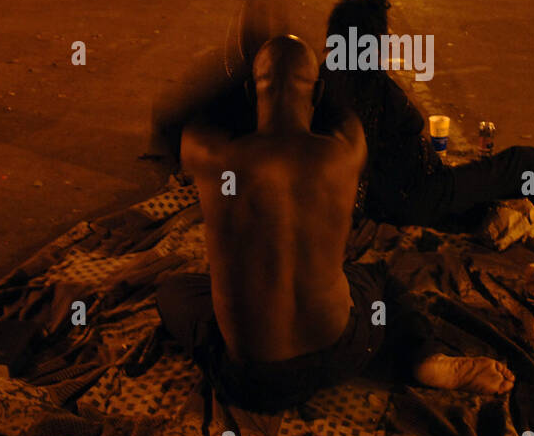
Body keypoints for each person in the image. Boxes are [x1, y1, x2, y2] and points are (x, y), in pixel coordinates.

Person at [155, 35, 514, 413]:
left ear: (248, 90)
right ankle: (421, 358)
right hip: (346, 351)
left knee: (174, 292)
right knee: (376, 278)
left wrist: (250, 68)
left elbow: (177, 120)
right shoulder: (344, 151)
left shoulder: (211, 155)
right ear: (318, 91)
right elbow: (339, 109)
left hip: (253, 383)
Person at [317, 0, 534, 230]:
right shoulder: (371, 88)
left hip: (409, 190)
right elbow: (366, 159)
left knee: (512, 174)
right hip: (419, 195)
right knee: (517, 163)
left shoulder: (331, 78)